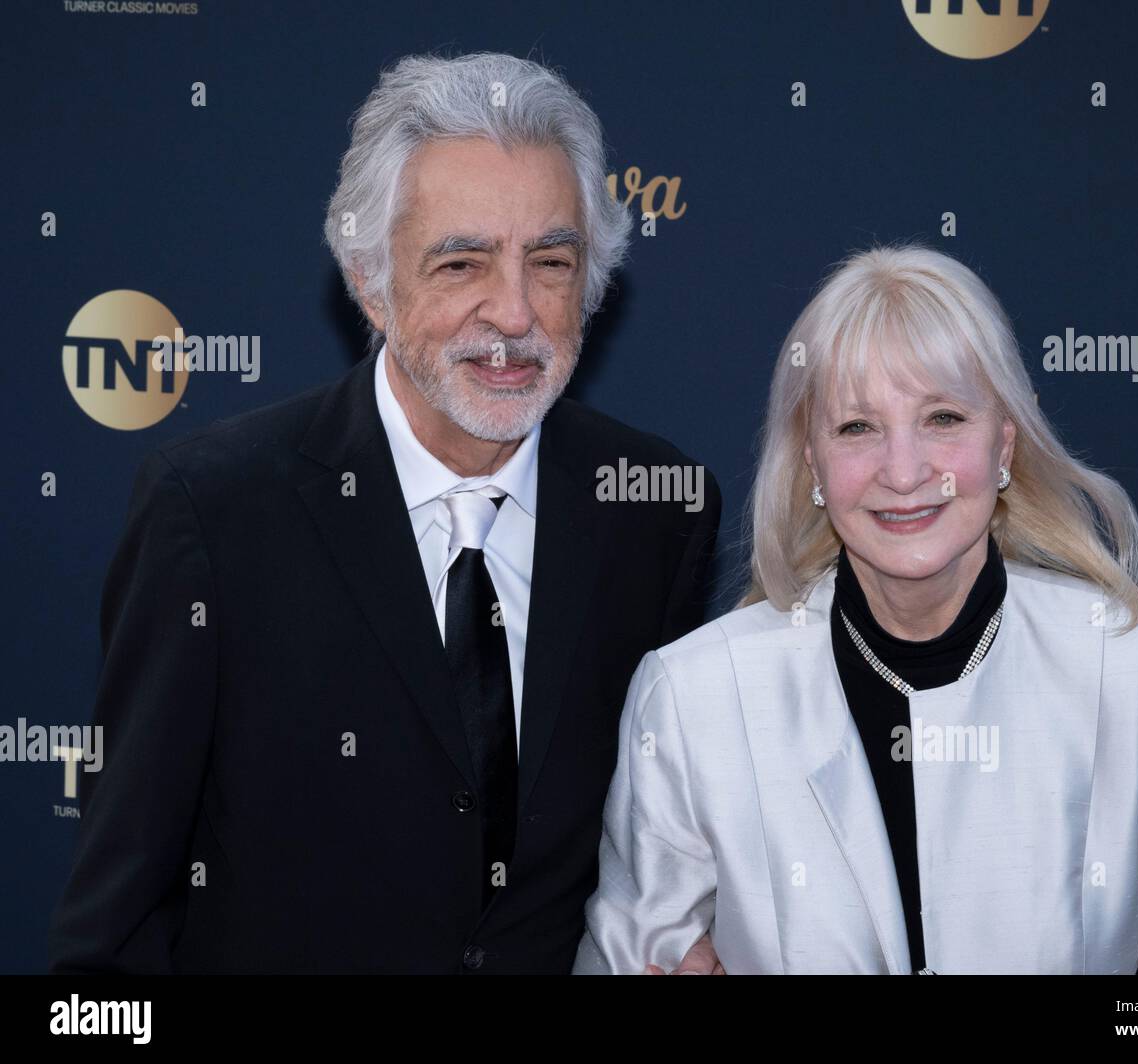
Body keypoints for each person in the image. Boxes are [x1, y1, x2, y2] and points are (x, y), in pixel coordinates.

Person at [49, 51, 722, 974]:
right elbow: (112, 932)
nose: (515, 313)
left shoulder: (655, 508)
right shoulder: (211, 514)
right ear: (371, 281)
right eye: (462, 262)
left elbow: (660, 858)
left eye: (552, 262)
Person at [574, 243, 1138, 974]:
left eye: (944, 417)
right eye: (858, 427)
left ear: (1004, 445)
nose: (905, 470)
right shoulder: (696, 698)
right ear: (811, 463)